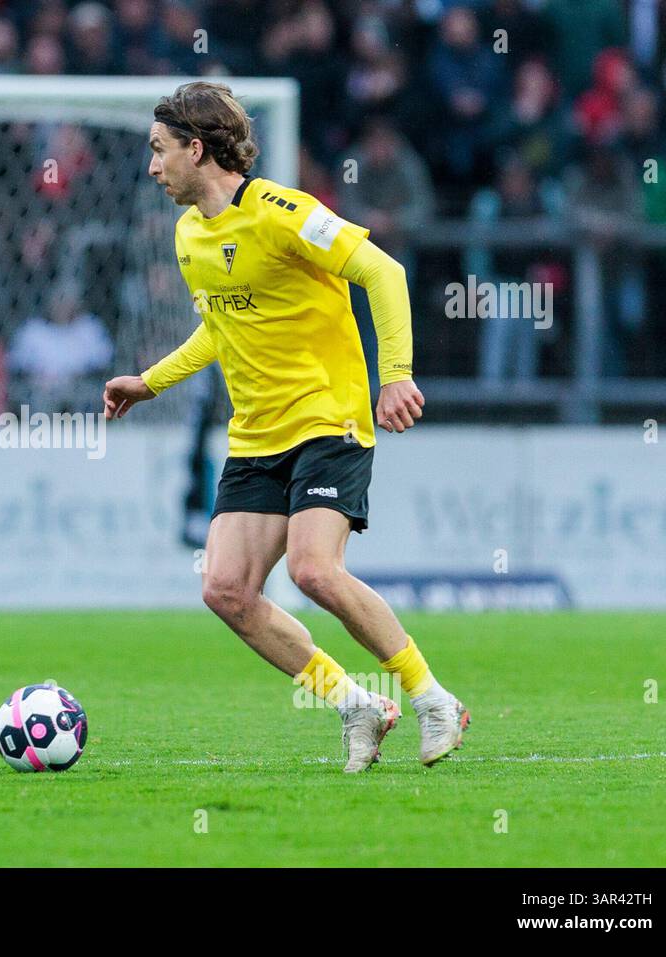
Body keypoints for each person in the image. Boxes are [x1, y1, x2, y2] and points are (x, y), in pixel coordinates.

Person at [103, 82, 469, 773]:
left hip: (328, 419)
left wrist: (396, 374)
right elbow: (220, 326)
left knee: (312, 569)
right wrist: (149, 381)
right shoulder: (190, 234)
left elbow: (382, 272)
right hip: (257, 435)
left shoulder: (282, 211)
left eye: (159, 151)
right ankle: (357, 703)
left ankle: (432, 697)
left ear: (196, 148)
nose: (152, 168)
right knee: (225, 589)